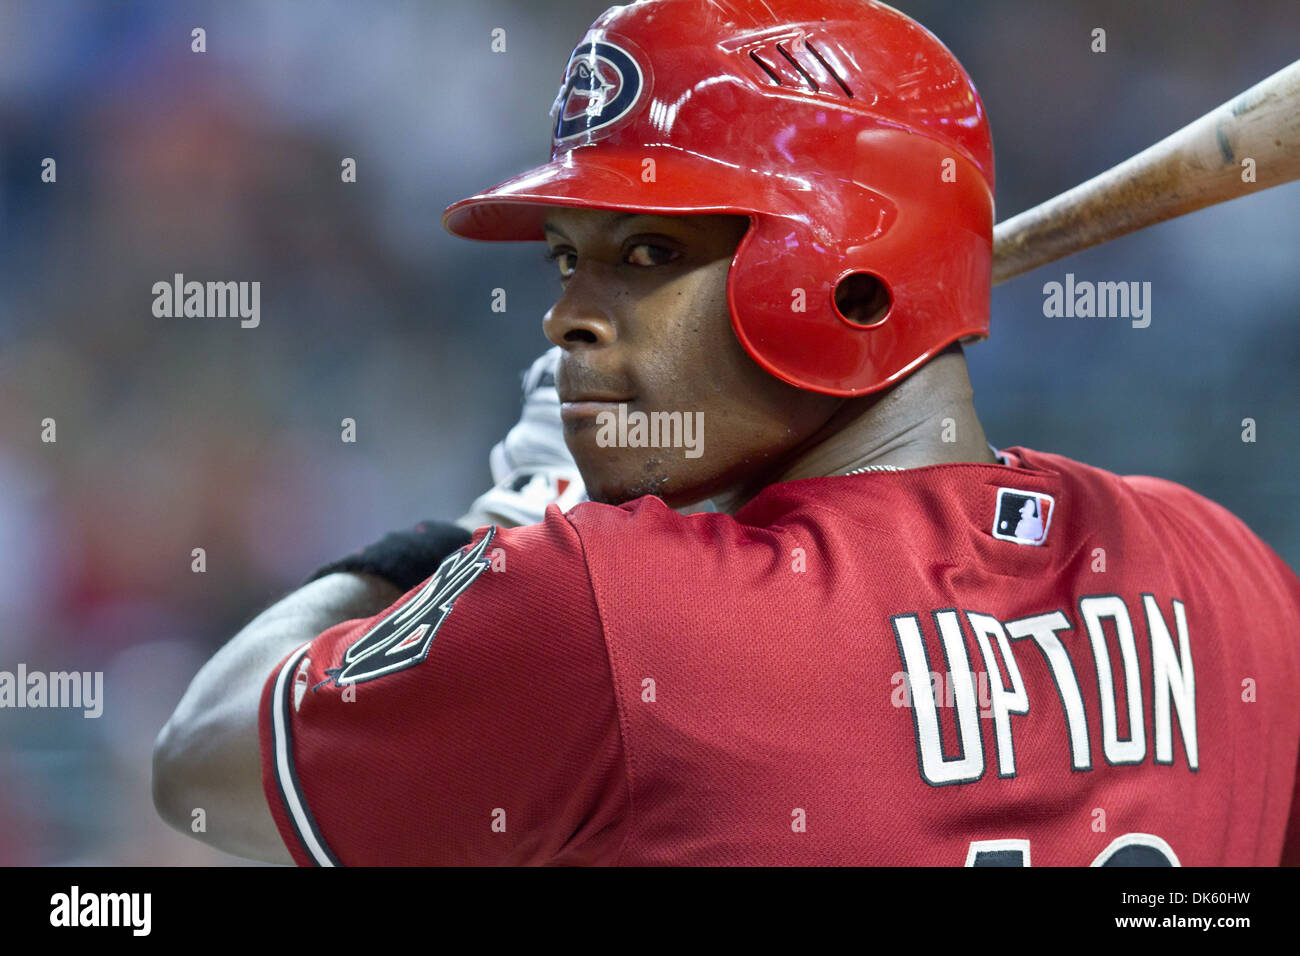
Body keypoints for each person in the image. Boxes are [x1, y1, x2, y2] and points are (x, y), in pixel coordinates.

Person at [154, 0, 1300, 866]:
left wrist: (487, 521)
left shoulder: (607, 612)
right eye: (566, 255)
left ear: (848, 276)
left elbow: (200, 754)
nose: (565, 318)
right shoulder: (1221, 564)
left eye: (645, 254)